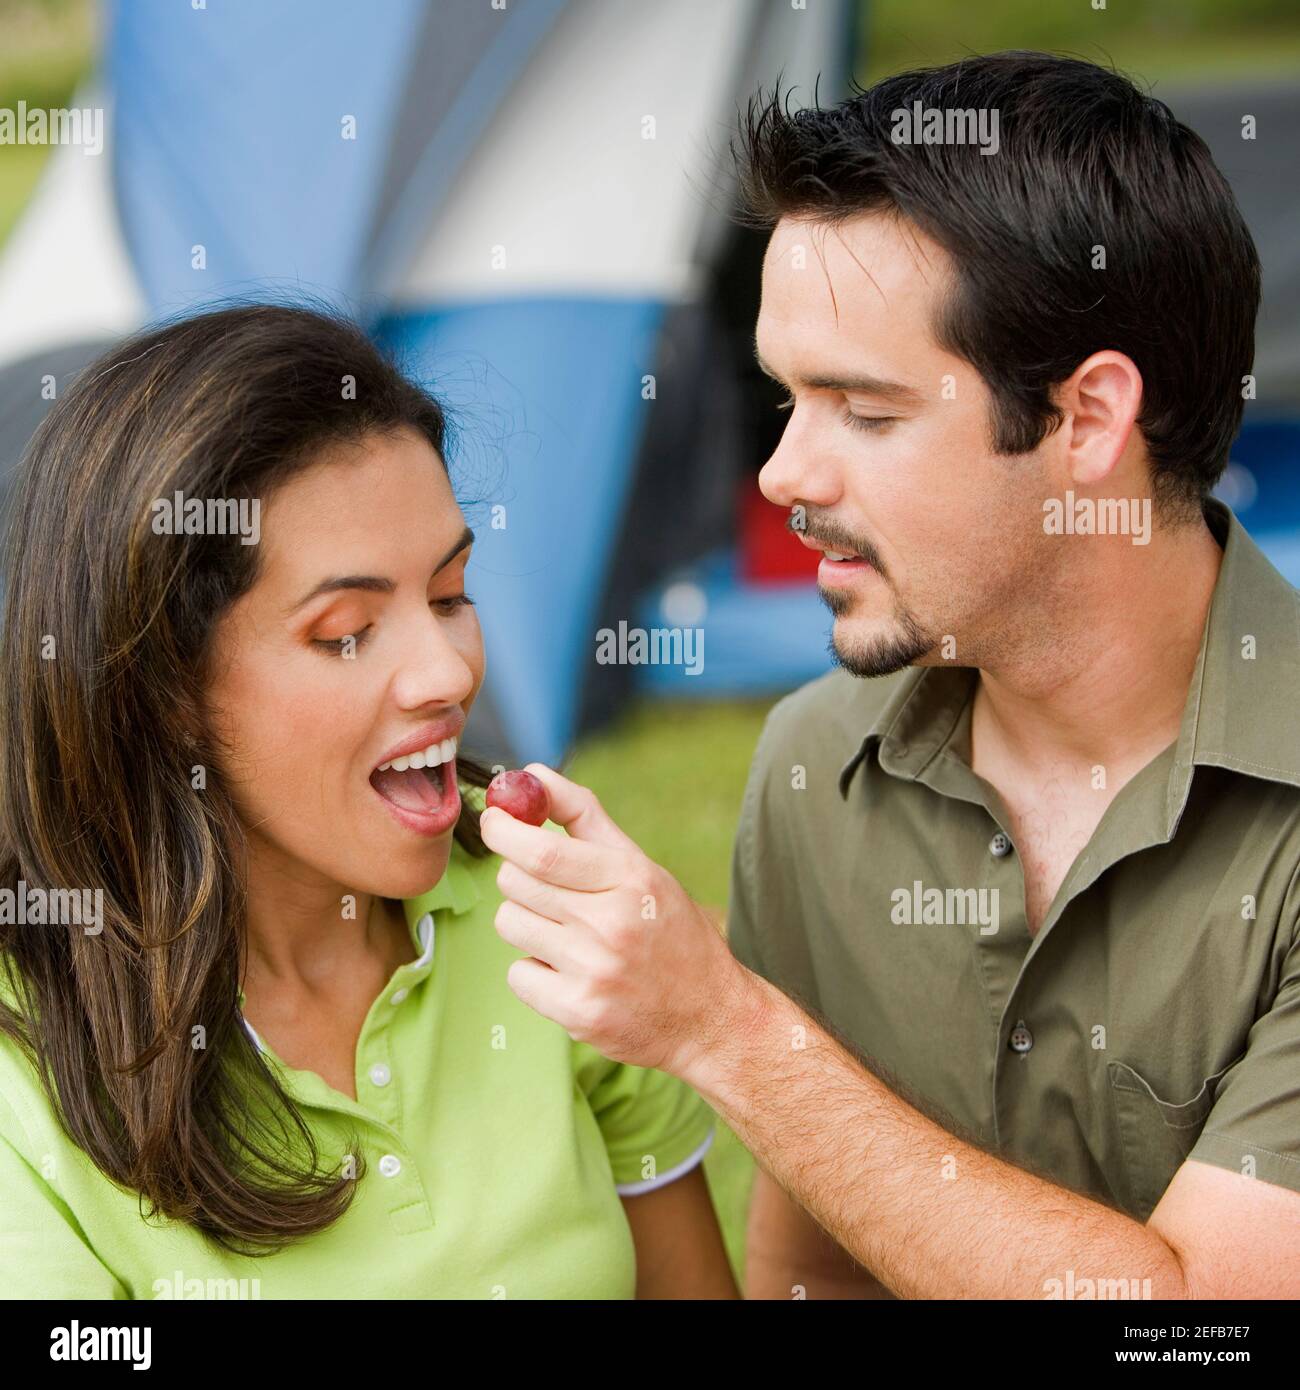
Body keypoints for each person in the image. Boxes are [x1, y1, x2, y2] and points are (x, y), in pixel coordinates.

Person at [481, 53, 1300, 1298]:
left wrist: (727, 1029)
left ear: (1086, 420)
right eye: (785, 399)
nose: (783, 477)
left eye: (863, 413)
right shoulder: (816, 763)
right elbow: (824, 1269)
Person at [0, 303, 736, 1300]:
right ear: (165, 688)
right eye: (346, 630)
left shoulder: (548, 919)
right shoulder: (23, 1076)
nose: (445, 672)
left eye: (449, 595)